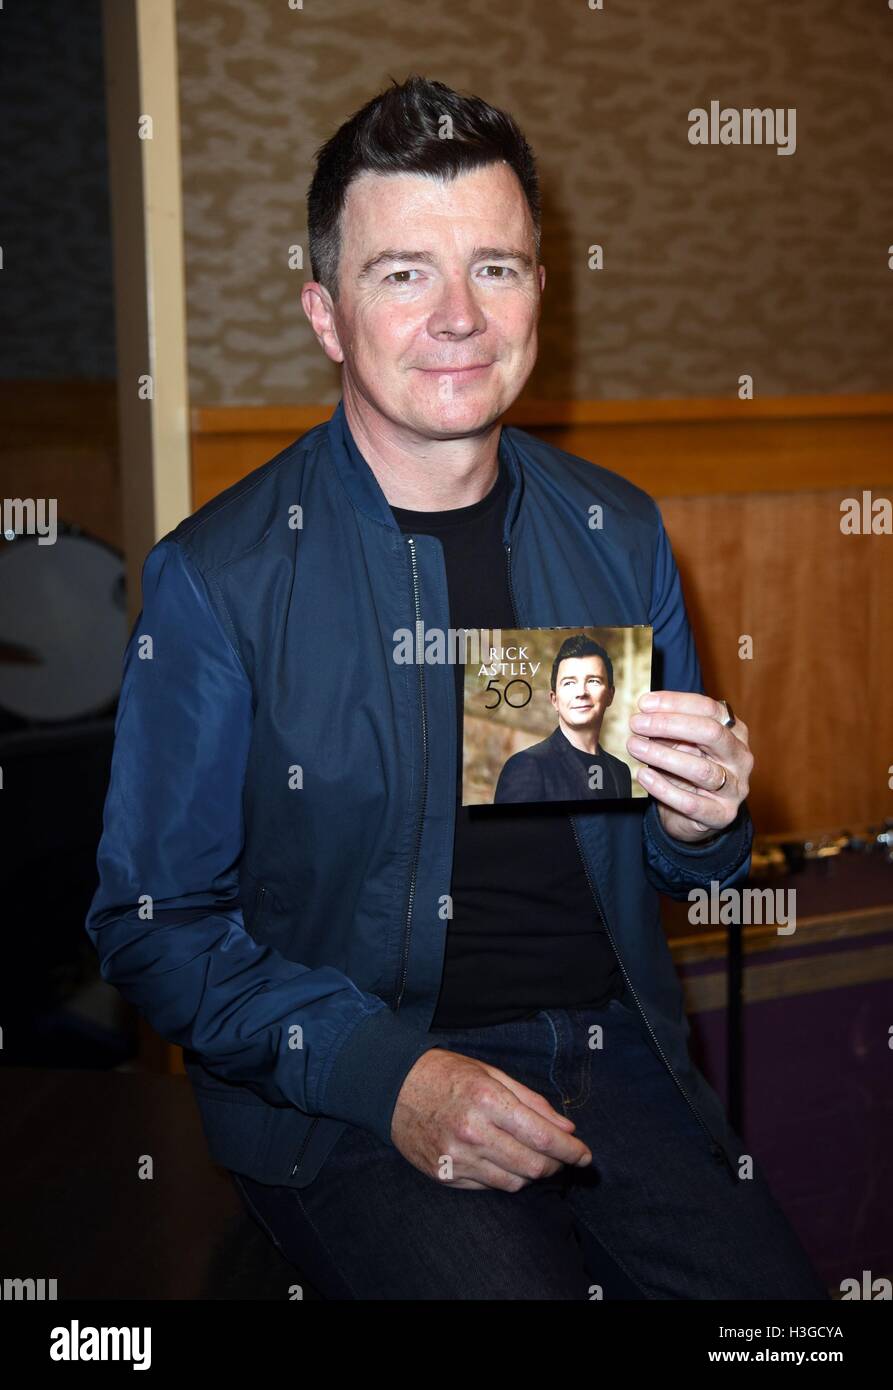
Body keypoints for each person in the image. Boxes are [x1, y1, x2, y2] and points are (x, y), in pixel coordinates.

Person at [85, 75, 829, 1301]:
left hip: (613, 1052)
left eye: (494, 267)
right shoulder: (215, 579)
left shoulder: (616, 534)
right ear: (326, 314)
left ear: (541, 290)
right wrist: (395, 1078)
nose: (457, 316)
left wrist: (705, 825)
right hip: (345, 1087)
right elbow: (150, 925)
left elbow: (672, 865)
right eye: (401, 273)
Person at [494, 634, 633, 802]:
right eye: (569, 683)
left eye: (593, 681)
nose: (581, 692)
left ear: (610, 695)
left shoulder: (621, 771)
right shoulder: (527, 765)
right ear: (554, 700)